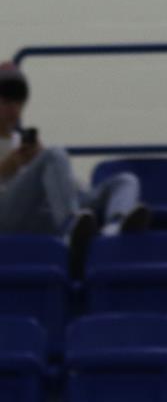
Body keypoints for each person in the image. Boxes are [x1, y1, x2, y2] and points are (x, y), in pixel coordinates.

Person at [0, 63, 147, 266]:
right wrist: (7, 167)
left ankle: (114, 228)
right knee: (55, 154)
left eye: (17, 101)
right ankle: (70, 229)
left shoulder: (25, 144)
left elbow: (67, 187)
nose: (12, 108)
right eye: (6, 100)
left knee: (125, 180)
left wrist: (42, 160)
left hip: (39, 215)